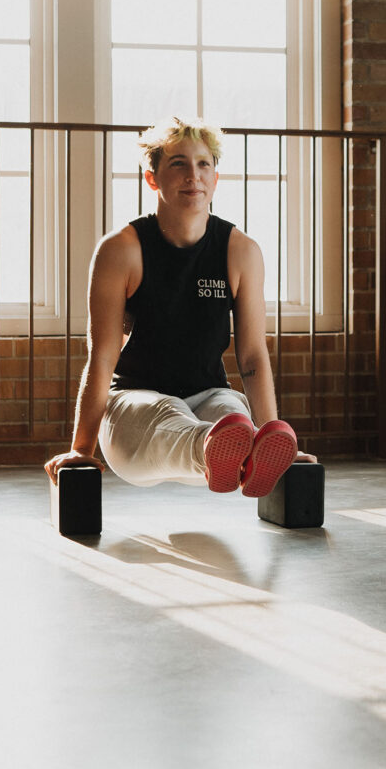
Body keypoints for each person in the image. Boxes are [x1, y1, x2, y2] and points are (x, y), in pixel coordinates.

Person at [45, 115, 314, 498]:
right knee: (169, 413)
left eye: (204, 164)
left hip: (207, 397)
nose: (194, 175)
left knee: (230, 408)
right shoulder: (121, 250)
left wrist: (273, 435)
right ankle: (219, 448)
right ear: (152, 178)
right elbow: (103, 356)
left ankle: (250, 447)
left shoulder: (241, 251)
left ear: (216, 179)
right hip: (135, 411)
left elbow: (252, 356)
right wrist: (81, 449)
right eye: (178, 164)